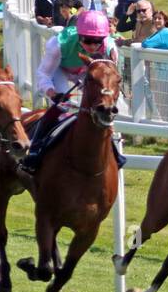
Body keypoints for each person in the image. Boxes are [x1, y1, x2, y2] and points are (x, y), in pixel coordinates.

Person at [21, 10, 118, 174]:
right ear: (80, 36)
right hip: (60, 69)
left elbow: (113, 78)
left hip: (86, 72)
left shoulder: (110, 47)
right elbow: (43, 74)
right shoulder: (58, 44)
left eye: (98, 41)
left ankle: (114, 153)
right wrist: (53, 93)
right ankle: (35, 149)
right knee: (63, 107)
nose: (94, 46)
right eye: (88, 40)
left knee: (103, 107)